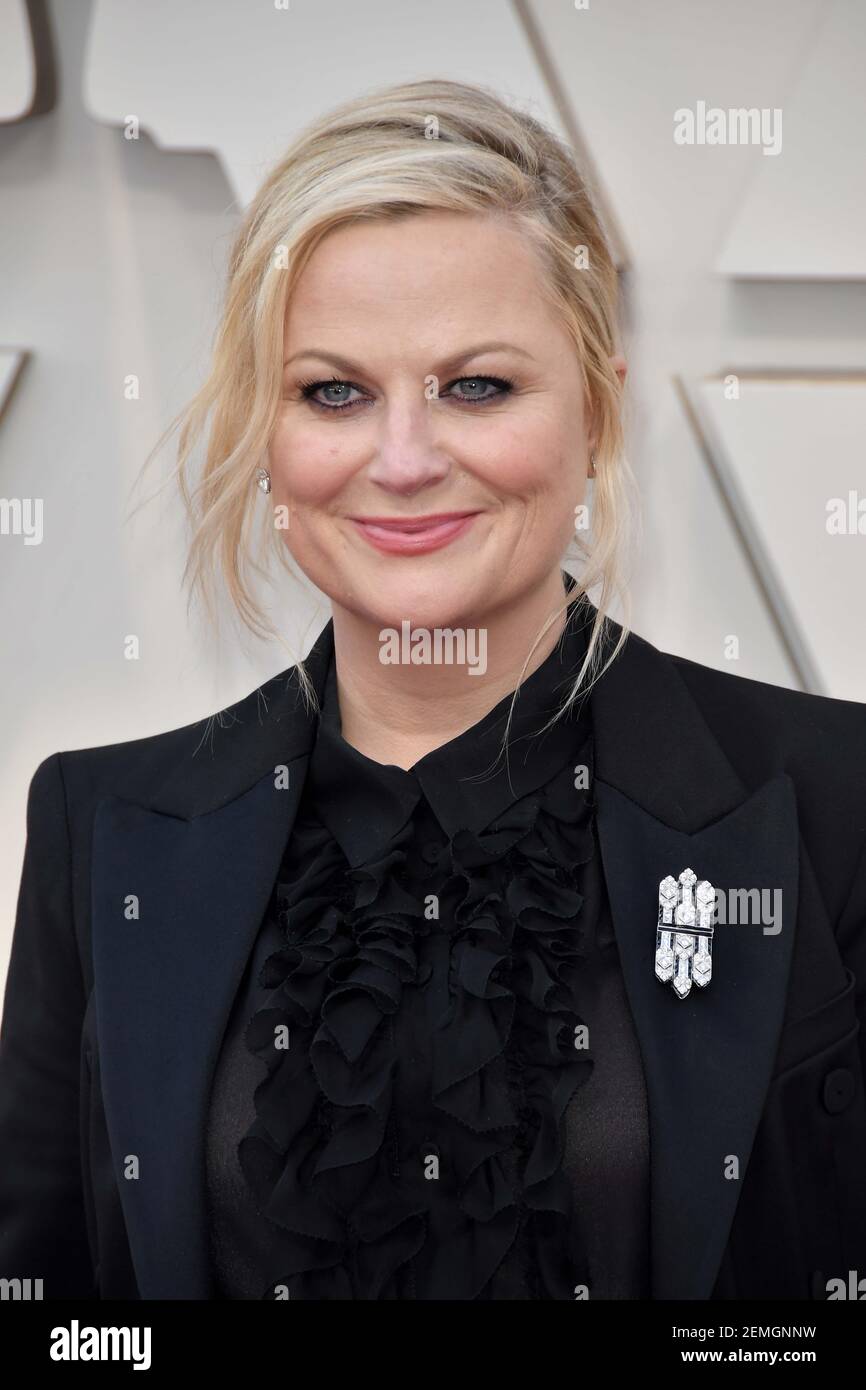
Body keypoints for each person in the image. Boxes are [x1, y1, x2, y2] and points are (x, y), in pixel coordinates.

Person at [1, 78, 865, 1302]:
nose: (402, 461)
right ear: (266, 435)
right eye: (333, 392)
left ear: (596, 410)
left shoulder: (830, 804)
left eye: (476, 386)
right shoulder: (102, 828)